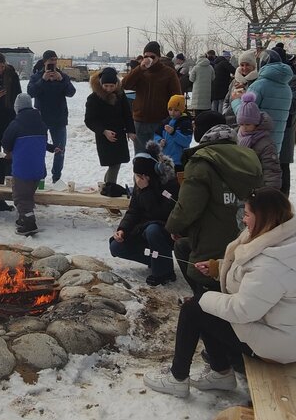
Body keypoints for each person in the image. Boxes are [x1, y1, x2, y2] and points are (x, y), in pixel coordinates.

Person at [144, 188, 296, 398]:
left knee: (195, 309)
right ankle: (220, 372)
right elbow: (254, 283)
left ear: (264, 217)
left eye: (247, 214)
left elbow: (243, 309)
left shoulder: (273, 264)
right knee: (205, 307)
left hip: (274, 346)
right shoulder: (281, 235)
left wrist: (203, 300)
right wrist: (219, 268)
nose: (243, 220)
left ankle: (177, 378)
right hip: (276, 331)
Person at [166, 114, 263, 296]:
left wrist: (173, 226)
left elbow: (187, 207)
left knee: (185, 251)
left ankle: (204, 299)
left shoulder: (201, 162)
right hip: (247, 236)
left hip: (213, 240)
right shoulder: (250, 158)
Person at [108, 144, 180, 285]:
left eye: (142, 175)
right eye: (137, 175)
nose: (138, 179)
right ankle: (156, 259)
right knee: (116, 247)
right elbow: (133, 211)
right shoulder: (140, 184)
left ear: (152, 172)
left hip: (165, 230)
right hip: (143, 229)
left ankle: (164, 272)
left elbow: (160, 213)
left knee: (153, 230)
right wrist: (122, 229)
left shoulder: (169, 185)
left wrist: (146, 191)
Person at [2, 94, 58, 236]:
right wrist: (52, 148)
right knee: (28, 195)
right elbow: (41, 142)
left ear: (17, 108)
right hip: (38, 168)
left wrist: (8, 151)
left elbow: (6, 142)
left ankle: (29, 223)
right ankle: (23, 217)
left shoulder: (16, 124)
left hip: (22, 167)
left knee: (21, 197)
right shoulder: (41, 124)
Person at [121, 41, 182, 155]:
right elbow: (125, 85)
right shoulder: (140, 72)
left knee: (159, 156)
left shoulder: (168, 73)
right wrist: (139, 69)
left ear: (158, 57)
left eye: (152, 56)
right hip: (140, 121)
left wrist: (176, 117)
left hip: (160, 121)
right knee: (141, 157)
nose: (149, 59)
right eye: (146, 56)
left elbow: (176, 96)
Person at [26, 50, 76, 183]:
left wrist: (62, 80)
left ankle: (57, 178)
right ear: (44, 62)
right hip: (41, 119)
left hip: (59, 119)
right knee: (40, 149)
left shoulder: (62, 76)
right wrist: (43, 80)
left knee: (60, 150)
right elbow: (30, 93)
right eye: (50, 60)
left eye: (55, 59)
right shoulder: (37, 77)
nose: (53, 62)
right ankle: (41, 177)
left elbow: (71, 93)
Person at [83, 67, 136, 188]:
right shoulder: (93, 98)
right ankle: (110, 187)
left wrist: (130, 130)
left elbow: (127, 114)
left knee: (116, 163)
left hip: (119, 134)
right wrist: (103, 131)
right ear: (101, 83)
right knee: (114, 163)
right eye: (106, 86)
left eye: (112, 86)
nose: (108, 89)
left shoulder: (120, 95)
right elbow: (89, 120)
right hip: (104, 136)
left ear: (116, 84)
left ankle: (108, 186)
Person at [232, 50, 292, 153]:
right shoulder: (287, 88)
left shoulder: (259, 85)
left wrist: (236, 100)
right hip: (275, 142)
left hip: (256, 142)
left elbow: (245, 115)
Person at [236, 93, 282, 190]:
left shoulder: (266, 144)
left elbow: (271, 170)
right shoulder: (237, 136)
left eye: (248, 124)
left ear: (256, 123)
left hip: (258, 189)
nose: (244, 128)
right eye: (241, 124)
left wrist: (270, 192)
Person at [154, 95, 193, 172]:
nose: (172, 112)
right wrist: (159, 140)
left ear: (181, 110)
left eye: (176, 110)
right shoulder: (165, 121)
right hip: (165, 160)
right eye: (170, 109)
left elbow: (186, 142)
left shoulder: (185, 123)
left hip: (179, 162)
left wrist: (173, 133)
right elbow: (156, 134)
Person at [281, 73, 296, 196]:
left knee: (283, 165)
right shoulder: (259, 80)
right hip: (263, 131)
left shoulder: (294, 80)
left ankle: (283, 203)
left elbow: (292, 106)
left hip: (285, 129)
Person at [223, 50, 258, 124]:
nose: (244, 68)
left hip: (245, 124)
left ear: (253, 66)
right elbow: (226, 100)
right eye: (242, 65)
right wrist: (225, 111)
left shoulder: (257, 82)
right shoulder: (235, 81)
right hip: (229, 121)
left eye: (247, 65)